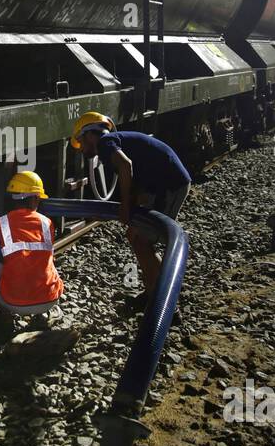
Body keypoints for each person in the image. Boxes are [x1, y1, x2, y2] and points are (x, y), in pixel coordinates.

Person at [71, 112, 190, 307]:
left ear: (89, 134)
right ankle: (153, 291)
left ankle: (165, 301)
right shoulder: (114, 141)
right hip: (162, 185)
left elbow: (126, 166)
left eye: (80, 142)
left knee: (142, 242)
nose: (81, 148)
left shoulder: (105, 143)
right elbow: (138, 175)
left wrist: (126, 207)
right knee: (135, 237)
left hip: (169, 186)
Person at [0, 171, 64, 325]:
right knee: (48, 263)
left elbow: (0, 256)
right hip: (50, 299)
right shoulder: (47, 222)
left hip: (15, 303)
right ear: (34, 198)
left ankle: (4, 313)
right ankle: (45, 312)